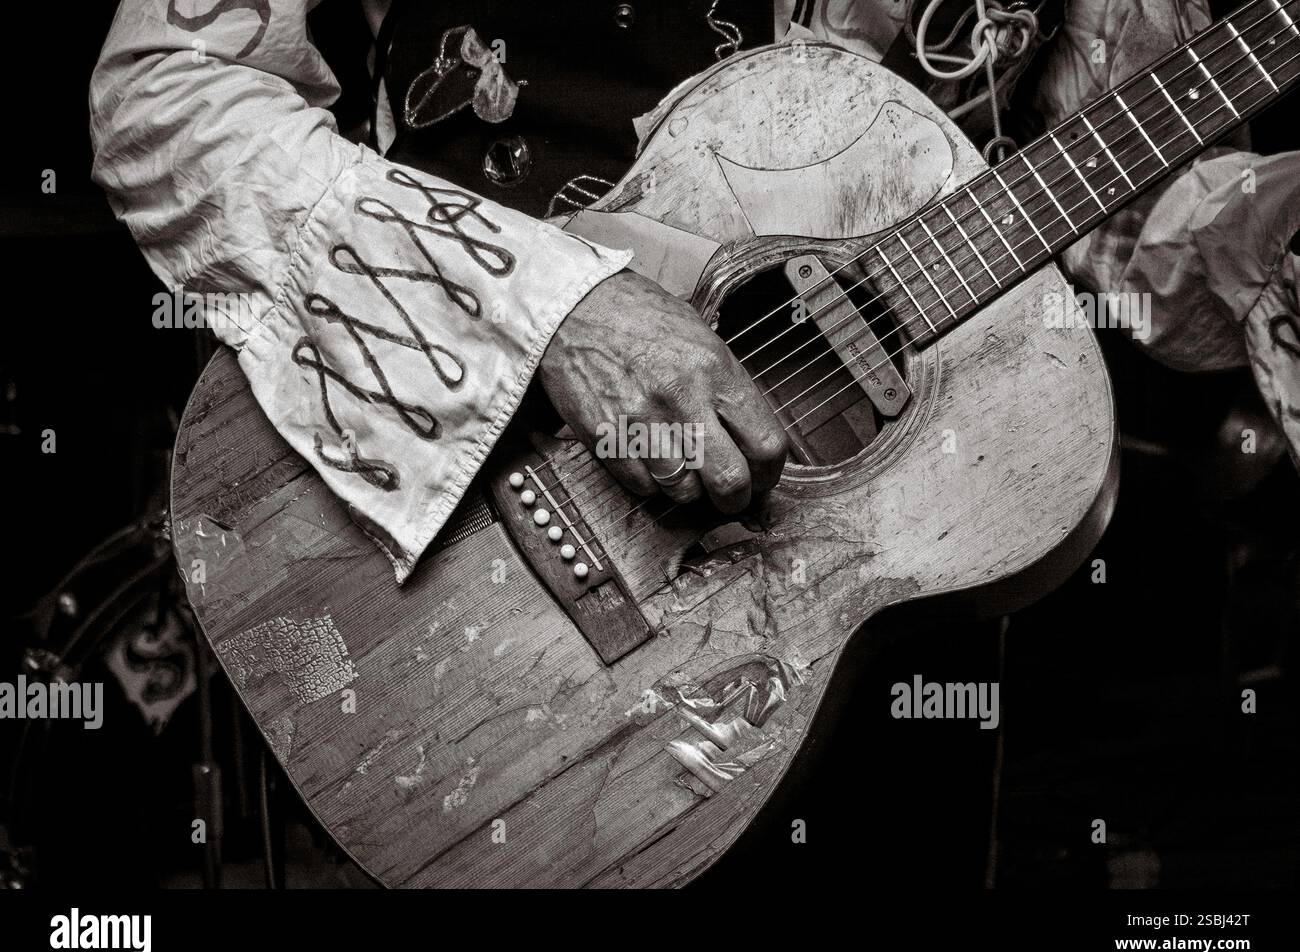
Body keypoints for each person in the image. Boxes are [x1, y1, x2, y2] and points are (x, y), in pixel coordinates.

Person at [90, 0, 1300, 584]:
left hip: (893, 575)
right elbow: (170, 101)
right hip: (490, 551)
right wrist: (551, 310)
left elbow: (1127, 244)